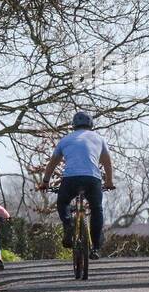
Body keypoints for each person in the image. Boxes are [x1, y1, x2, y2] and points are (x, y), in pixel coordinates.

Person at [39, 110, 115, 258]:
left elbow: (52, 164)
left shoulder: (65, 140)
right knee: (97, 209)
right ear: (91, 124)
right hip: (92, 179)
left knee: (63, 202)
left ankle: (68, 225)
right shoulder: (99, 139)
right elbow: (107, 162)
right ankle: (95, 248)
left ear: (73, 125)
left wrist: (45, 182)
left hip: (71, 179)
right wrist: (109, 181)